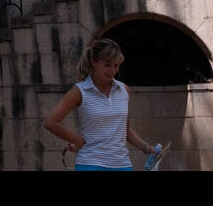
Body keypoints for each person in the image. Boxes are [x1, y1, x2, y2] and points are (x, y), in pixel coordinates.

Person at [42, 37, 158, 170]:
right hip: (90, 163)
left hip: (122, 165)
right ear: (93, 62)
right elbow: (50, 122)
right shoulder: (79, 91)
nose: (113, 70)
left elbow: (125, 130)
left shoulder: (124, 90)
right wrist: (78, 141)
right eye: (107, 65)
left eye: (116, 65)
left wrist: (147, 148)